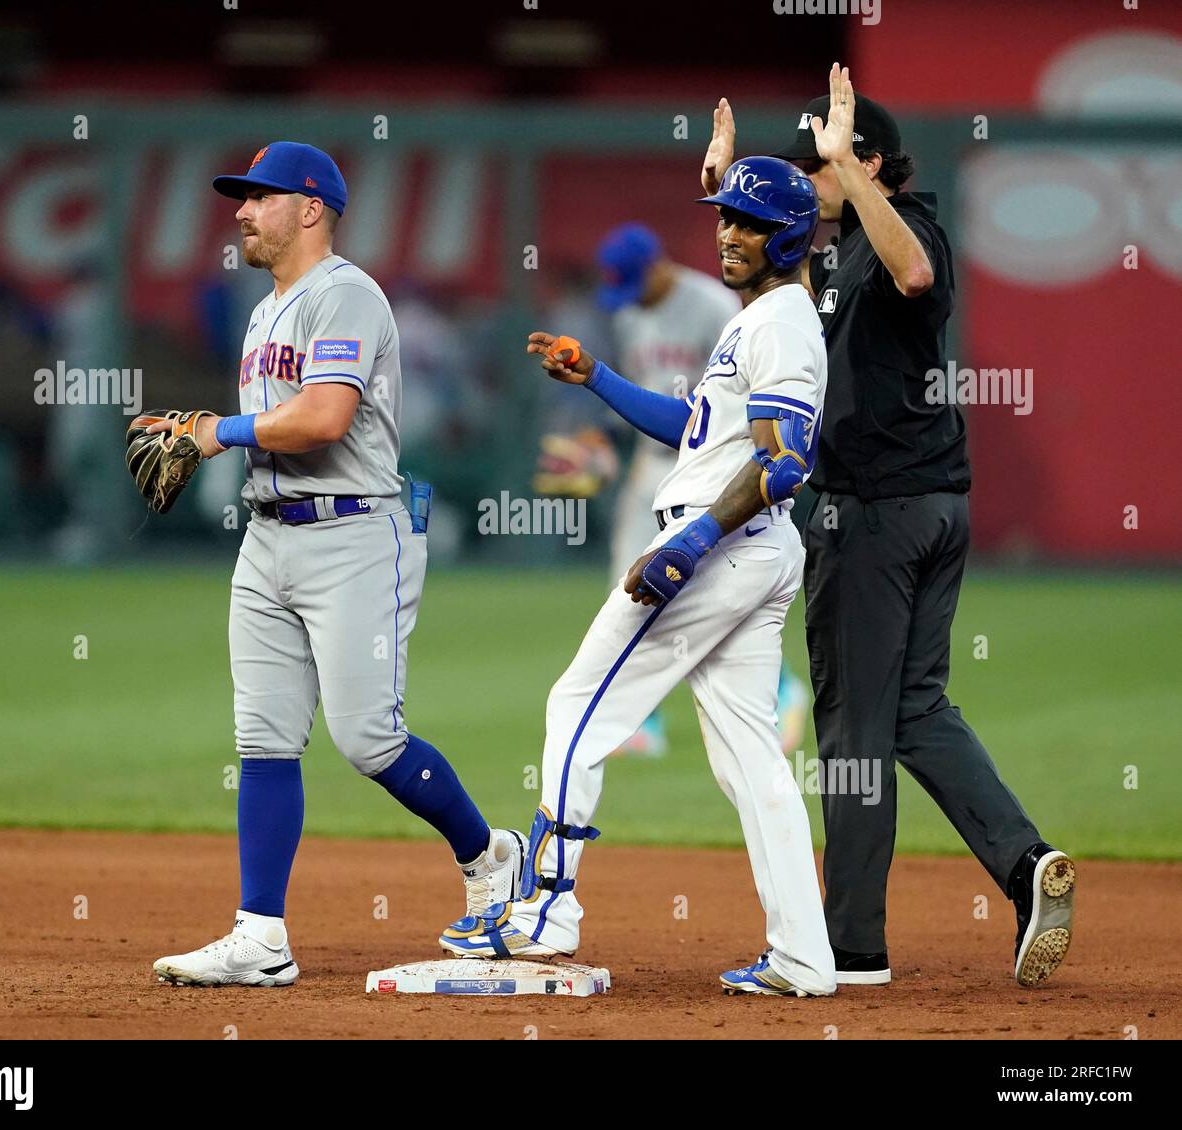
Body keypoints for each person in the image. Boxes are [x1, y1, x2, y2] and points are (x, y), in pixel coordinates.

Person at [702, 66, 1075, 989]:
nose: (808, 176)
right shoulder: (836, 255)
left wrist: (852, 178)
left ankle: (852, 947)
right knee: (914, 710)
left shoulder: (913, 235)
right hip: (926, 504)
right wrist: (718, 190)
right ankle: (1028, 868)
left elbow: (912, 269)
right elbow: (772, 275)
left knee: (853, 733)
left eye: (821, 160)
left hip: (876, 514)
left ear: (868, 160)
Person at [440, 157, 837, 998]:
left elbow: (784, 464)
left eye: (749, 222)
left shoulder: (781, 323)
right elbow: (697, 428)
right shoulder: (762, 315)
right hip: (747, 550)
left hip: (722, 549)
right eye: (724, 216)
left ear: (792, 235)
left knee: (578, 703)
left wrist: (689, 546)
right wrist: (597, 379)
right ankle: (804, 953)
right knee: (750, 759)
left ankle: (547, 912)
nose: (728, 232)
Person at [148, 142, 524, 987]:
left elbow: (322, 418)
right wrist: (208, 439)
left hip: (355, 537)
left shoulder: (347, 294)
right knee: (263, 739)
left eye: (259, 197)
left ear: (309, 208)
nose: (240, 211)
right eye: (238, 199)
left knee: (367, 739)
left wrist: (219, 432)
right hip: (268, 536)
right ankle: (260, 936)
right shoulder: (264, 311)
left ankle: (490, 853)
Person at [594, 222, 742, 757]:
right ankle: (641, 721)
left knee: (709, 592)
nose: (629, 298)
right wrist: (608, 453)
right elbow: (642, 397)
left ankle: (777, 690)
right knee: (626, 586)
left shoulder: (714, 305)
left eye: (636, 282)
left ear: (658, 265)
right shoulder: (630, 314)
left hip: (710, 465)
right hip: (651, 465)